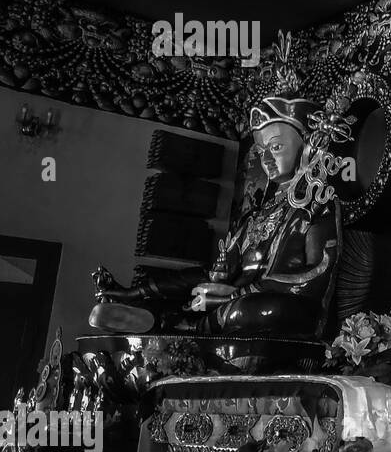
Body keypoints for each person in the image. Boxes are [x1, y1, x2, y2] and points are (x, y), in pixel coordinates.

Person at [89, 95, 343, 338]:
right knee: (195, 286)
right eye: (261, 150)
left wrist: (234, 294)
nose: (266, 159)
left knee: (252, 311)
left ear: (307, 147)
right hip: (232, 300)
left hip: (274, 306)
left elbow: (317, 275)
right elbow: (217, 273)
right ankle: (143, 303)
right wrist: (216, 278)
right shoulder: (255, 216)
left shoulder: (316, 205)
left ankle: (177, 324)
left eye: (276, 147)